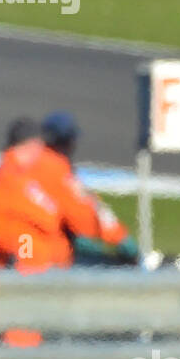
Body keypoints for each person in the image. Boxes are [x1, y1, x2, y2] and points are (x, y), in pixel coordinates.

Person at [32, 110, 137, 265]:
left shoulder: (28, 164)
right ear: (67, 141)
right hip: (50, 255)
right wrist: (122, 240)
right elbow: (86, 211)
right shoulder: (59, 172)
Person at [0, 117, 64, 271]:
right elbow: (5, 232)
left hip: (32, 269)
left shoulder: (21, 175)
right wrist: (25, 262)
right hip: (22, 274)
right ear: (31, 144)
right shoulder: (8, 178)